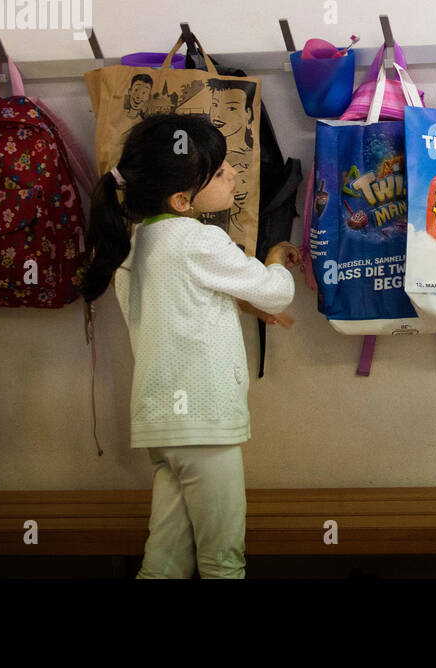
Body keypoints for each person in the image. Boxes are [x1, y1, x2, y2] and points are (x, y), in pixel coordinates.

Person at [82, 114, 301, 578]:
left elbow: (179, 303)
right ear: (183, 199)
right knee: (222, 560)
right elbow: (276, 291)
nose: (233, 174)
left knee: (163, 560)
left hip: (163, 427)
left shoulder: (136, 243)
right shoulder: (200, 240)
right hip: (204, 424)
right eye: (220, 172)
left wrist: (240, 305)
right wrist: (276, 260)